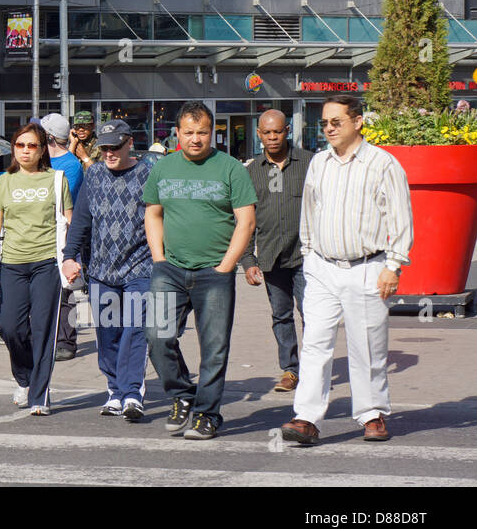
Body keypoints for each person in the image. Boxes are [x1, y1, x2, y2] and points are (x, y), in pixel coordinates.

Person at [280, 95, 413, 446]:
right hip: (322, 267)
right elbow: (308, 211)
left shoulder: (382, 164)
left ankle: (371, 415)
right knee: (315, 344)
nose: (328, 128)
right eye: (324, 122)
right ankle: (306, 417)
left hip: (366, 267)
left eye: (336, 122)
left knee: (367, 345)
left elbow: (400, 218)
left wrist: (393, 265)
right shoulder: (319, 163)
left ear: (358, 122)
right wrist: (309, 254)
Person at [143, 100, 257, 440]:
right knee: (157, 336)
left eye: (203, 133)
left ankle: (208, 413)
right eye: (189, 133)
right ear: (177, 133)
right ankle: (181, 394)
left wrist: (226, 267)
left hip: (214, 274)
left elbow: (246, 221)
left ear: (212, 133)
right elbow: (153, 213)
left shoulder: (231, 168)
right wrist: (158, 257)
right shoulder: (163, 168)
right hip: (170, 270)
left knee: (214, 347)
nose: (196, 139)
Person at [0, 122, 73, 416]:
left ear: (42, 149)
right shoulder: (3, 183)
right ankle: (24, 378)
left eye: (32, 145)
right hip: (13, 264)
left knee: (43, 329)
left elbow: (69, 223)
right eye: (20, 145)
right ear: (13, 148)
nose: (26, 151)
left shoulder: (57, 180)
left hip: (47, 263)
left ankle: (40, 395)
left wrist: (70, 259)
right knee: (10, 328)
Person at [63, 119, 155, 421]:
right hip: (101, 269)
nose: (109, 153)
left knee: (135, 330)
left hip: (140, 266)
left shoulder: (148, 173)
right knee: (107, 334)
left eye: (115, 146)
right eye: (104, 148)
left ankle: (131, 393)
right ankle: (114, 390)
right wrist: (69, 256)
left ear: (129, 142)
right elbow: (81, 221)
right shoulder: (95, 175)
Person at [241, 109, 313, 394]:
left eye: (278, 131)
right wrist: (248, 260)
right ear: (259, 134)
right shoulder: (251, 171)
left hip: (307, 256)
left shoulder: (309, 163)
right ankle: (290, 370)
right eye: (267, 132)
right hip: (271, 258)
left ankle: (314, 368)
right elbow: (246, 219)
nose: (273, 137)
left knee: (311, 314)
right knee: (281, 315)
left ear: (287, 131)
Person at [41, 112, 84, 360]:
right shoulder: (39, 162)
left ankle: (66, 340)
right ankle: (46, 337)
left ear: (49, 137)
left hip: (63, 233)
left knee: (65, 289)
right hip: (39, 234)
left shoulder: (71, 165)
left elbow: (56, 200)